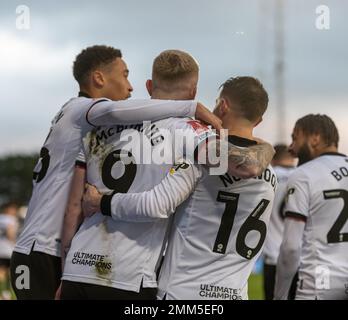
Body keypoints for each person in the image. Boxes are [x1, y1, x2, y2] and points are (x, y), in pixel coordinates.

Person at [10, 45, 219, 300]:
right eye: (125, 75)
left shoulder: (92, 127)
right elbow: (110, 111)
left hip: (57, 253)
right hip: (49, 249)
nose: (130, 87)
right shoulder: (85, 110)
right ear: (98, 78)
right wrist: (190, 107)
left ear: (150, 86)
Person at [60, 51, 274, 299]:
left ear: (149, 86)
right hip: (127, 276)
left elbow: (74, 205)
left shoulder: (102, 120)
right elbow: (245, 166)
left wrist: (65, 268)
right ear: (193, 91)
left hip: (78, 269)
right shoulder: (190, 131)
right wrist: (266, 147)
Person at [274, 114, 348, 300]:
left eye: (295, 138)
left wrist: (279, 295)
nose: (291, 147)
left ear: (315, 138)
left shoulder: (304, 174)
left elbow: (291, 247)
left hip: (319, 284)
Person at [262, 144, 296, 300]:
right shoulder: (303, 176)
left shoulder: (268, 176)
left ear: (273, 159)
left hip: (273, 257)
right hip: (300, 259)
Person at [0, 202, 18, 299]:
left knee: (1, 272)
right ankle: (6, 293)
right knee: (9, 273)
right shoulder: (11, 219)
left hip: (0, 249)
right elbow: (10, 232)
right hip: (8, 250)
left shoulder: (0, 218)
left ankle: (3, 294)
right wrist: (15, 242)